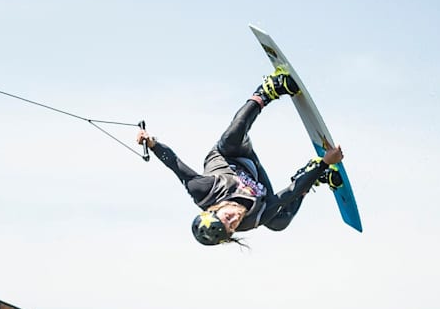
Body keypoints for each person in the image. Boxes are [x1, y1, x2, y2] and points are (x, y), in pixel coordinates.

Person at [137, 74, 345, 246]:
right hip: (257, 179)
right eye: (233, 226)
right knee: (278, 222)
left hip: (232, 155)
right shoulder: (252, 219)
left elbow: (175, 164)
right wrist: (323, 164)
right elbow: (288, 194)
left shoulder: (203, 190)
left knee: (231, 136)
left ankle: (266, 92)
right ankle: (312, 174)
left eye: (228, 218)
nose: (235, 219)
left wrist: (152, 143)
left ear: (214, 210)